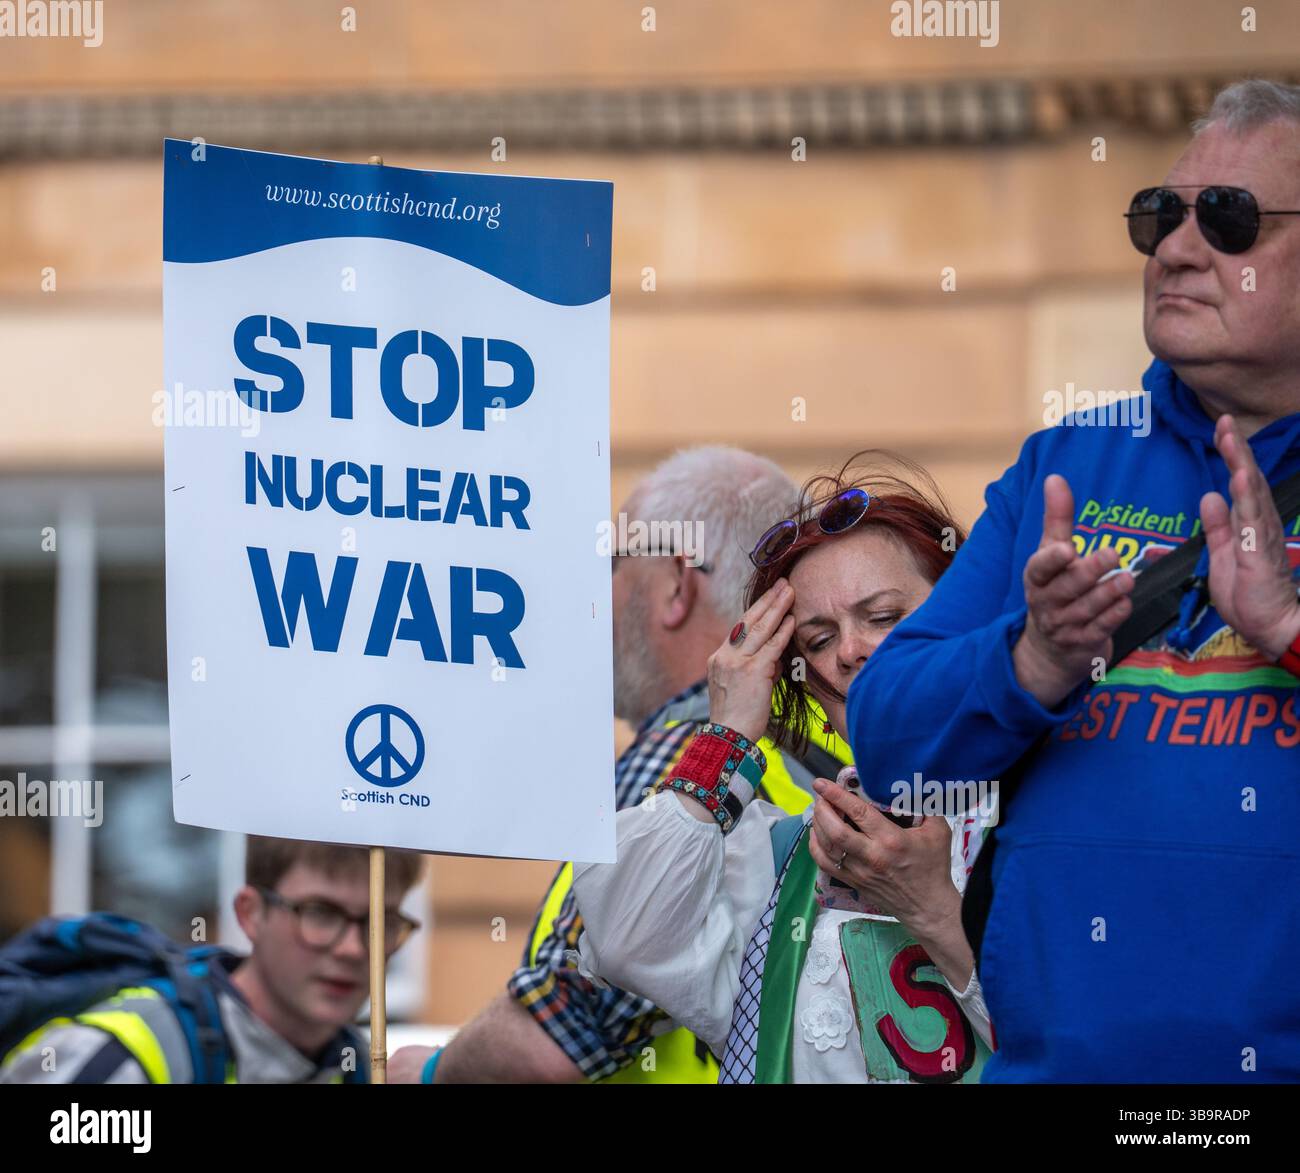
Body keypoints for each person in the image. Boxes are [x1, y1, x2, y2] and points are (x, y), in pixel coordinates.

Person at [847, 79, 1300, 1082]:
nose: (1176, 250)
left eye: (1229, 221)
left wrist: (1286, 628)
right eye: (1159, 215)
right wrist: (1035, 659)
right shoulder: (1067, 461)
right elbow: (886, 744)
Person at [389, 445, 851, 1084]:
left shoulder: (682, 762)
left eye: (611, 564)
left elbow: (565, 1026)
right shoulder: (831, 755)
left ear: (674, 584)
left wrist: (434, 1070)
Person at [572, 455, 995, 1083]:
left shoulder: (1055, 822)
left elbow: (1117, 1057)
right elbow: (627, 933)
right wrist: (725, 734)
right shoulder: (777, 862)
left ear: (966, 620)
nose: (851, 651)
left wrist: (934, 912)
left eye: (883, 617)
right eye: (818, 641)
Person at [0, 836, 424, 1083]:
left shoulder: (360, 1069)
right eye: (320, 912)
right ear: (250, 914)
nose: (353, 948)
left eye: (379, 921)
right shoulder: (119, 1058)